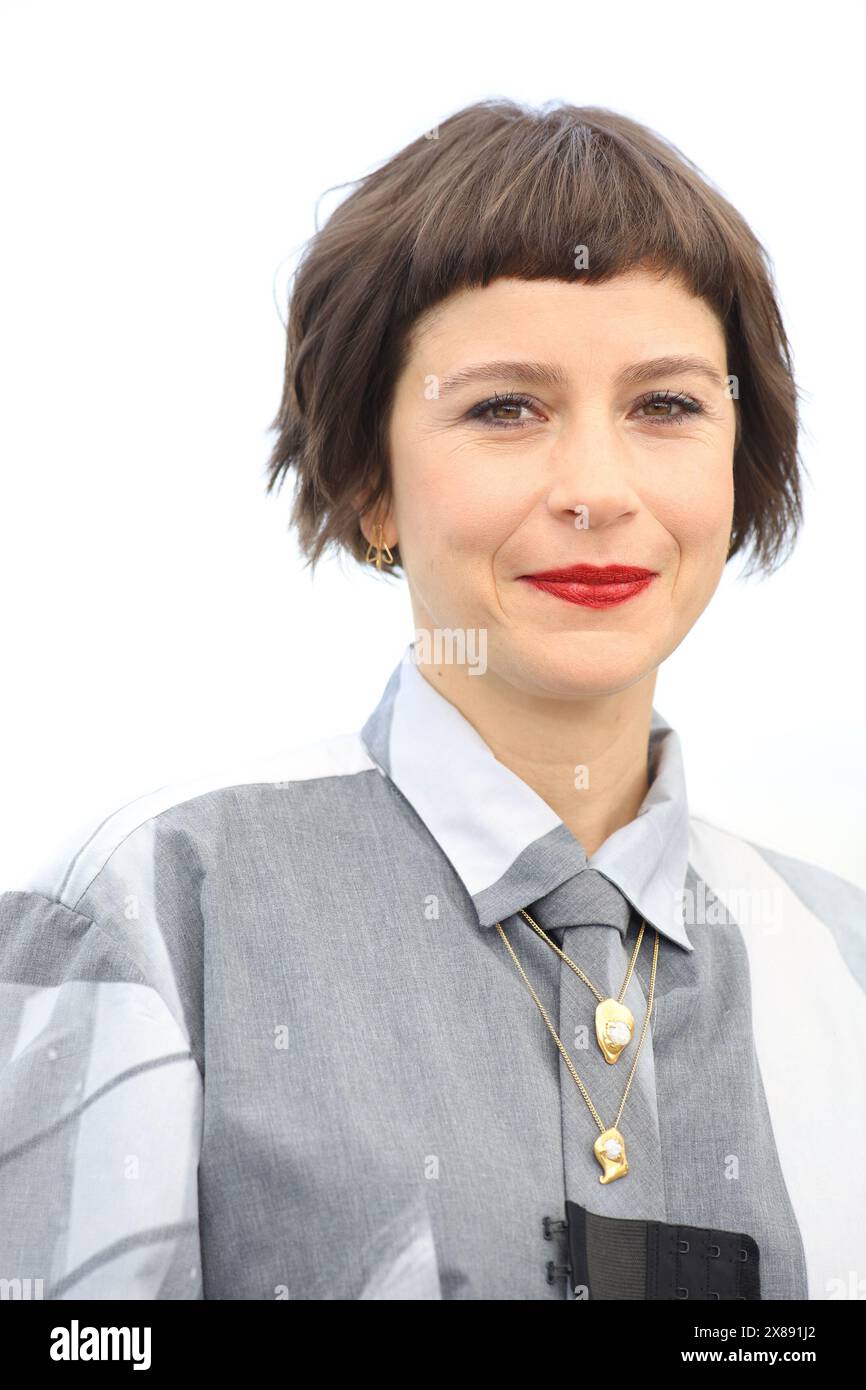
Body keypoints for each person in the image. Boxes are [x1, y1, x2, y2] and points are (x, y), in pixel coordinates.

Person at [2, 98, 864, 1302]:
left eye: (664, 404)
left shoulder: (840, 960)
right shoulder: (152, 908)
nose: (593, 489)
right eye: (502, 407)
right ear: (370, 483)